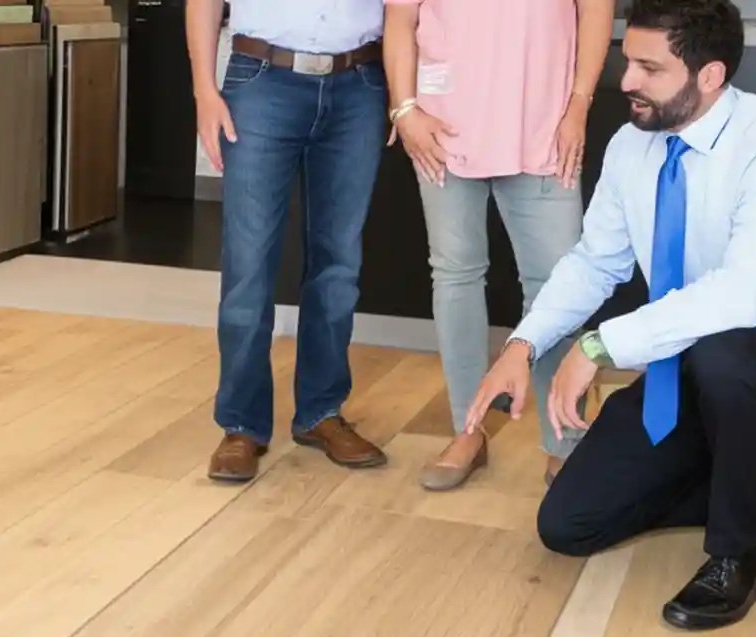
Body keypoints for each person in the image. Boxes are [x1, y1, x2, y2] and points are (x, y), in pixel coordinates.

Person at [465, 0, 756, 631]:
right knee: (567, 524)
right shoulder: (631, 144)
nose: (625, 82)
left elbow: (743, 295)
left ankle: (738, 555)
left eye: (649, 68)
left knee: (724, 348)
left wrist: (597, 348)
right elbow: (596, 261)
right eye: (628, 62)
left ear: (709, 76)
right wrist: (523, 345)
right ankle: (751, 492)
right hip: (694, 380)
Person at [382, 0, 617, 491]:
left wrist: (578, 104)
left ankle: (565, 444)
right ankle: (466, 431)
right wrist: (404, 110)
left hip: (545, 126)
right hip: (441, 127)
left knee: (559, 285)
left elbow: (596, 10)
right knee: (455, 277)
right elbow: (401, 17)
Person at [187, 0, 391, 482]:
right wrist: (203, 90)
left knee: (338, 264)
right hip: (262, 78)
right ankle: (241, 425)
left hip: (358, 83)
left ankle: (321, 413)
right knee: (249, 264)